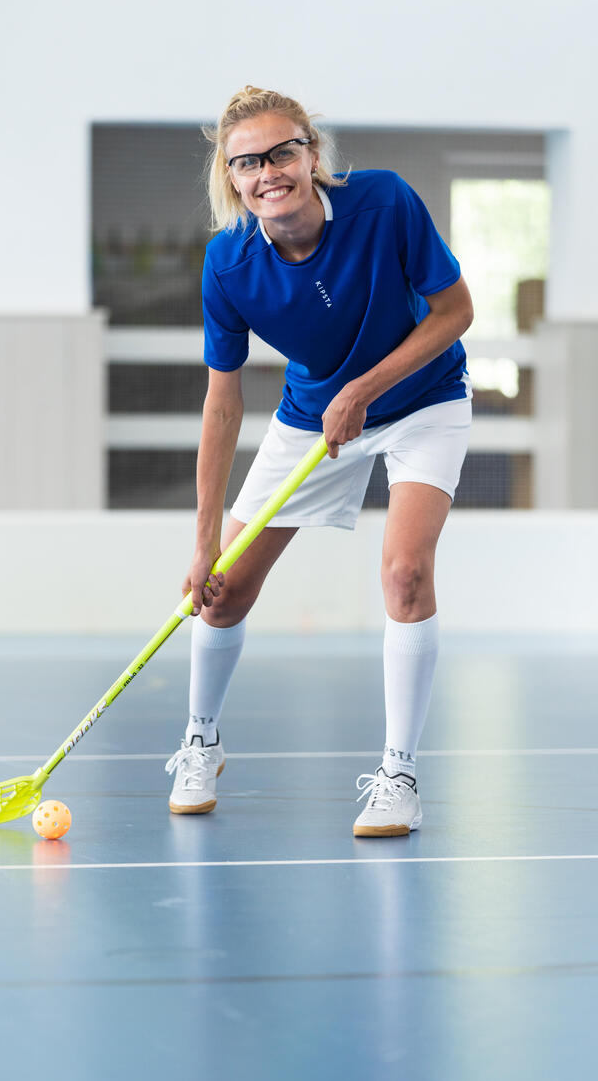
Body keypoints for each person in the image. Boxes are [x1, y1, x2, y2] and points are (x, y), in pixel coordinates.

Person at [164, 86, 473, 837]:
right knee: (224, 590)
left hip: (423, 399)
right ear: (231, 179)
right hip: (313, 420)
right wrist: (204, 541)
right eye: (248, 163)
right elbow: (223, 405)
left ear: (312, 154)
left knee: (406, 572)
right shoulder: (229, 264)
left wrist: (366, 388)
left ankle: (398, 775)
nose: (268, 172)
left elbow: (456, 311)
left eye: (282, 152)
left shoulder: (384, 204)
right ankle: (201, 738)